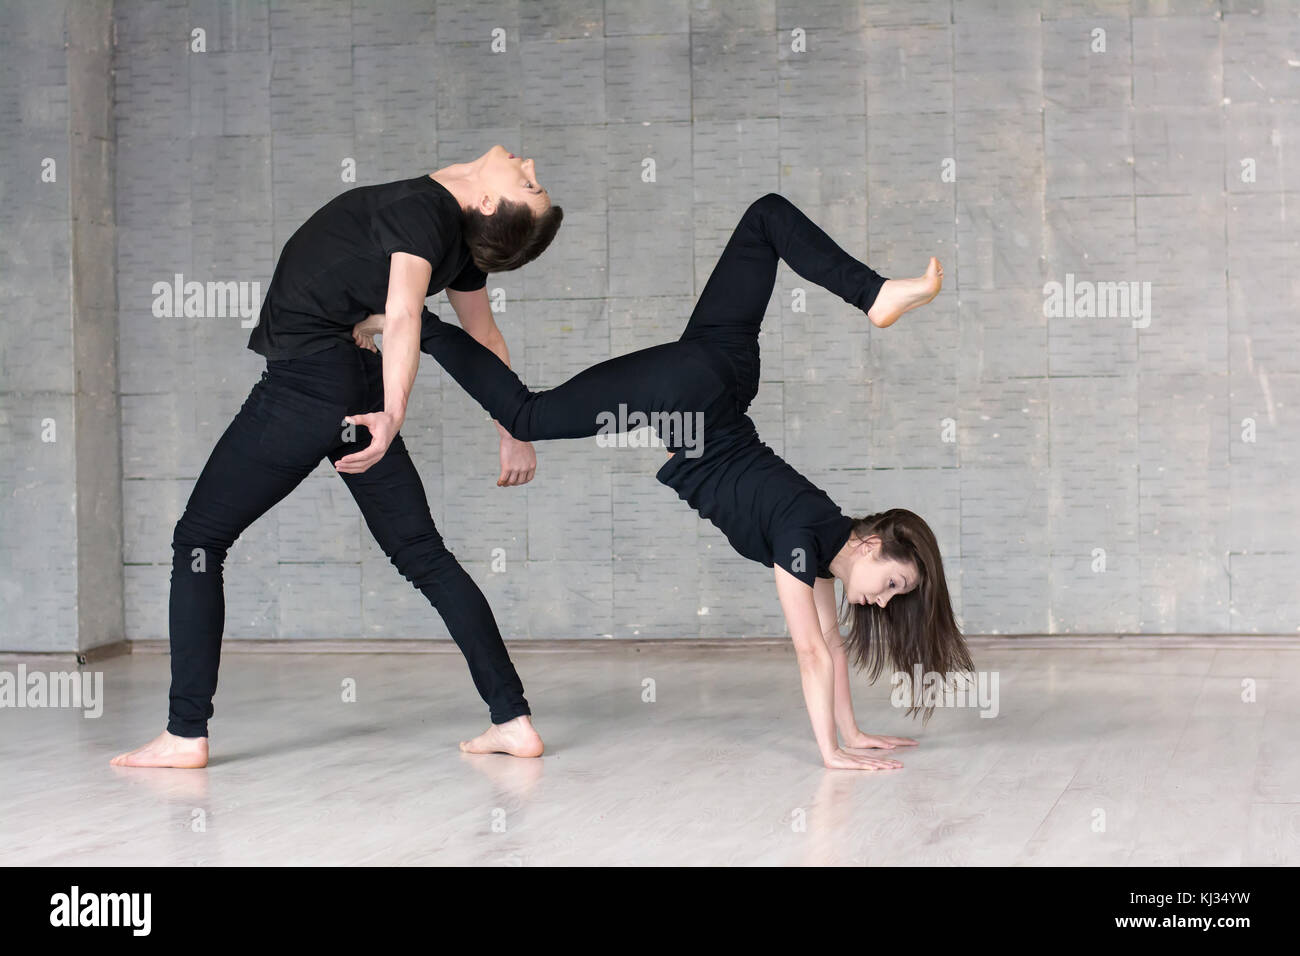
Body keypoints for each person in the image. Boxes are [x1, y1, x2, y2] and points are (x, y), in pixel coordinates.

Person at [356, 193, 972, 772]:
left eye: (894, 598)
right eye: (892, 583)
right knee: (525, 415)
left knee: (764, 217)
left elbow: (832, 647)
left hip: (723, 374)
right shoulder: (800, 539)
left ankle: (877, 294)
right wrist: (831, 755)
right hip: (689, 401)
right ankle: (417, 325)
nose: (883, 600)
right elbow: (809, 654)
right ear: (870, 544)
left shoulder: (823, 541)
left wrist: (854, 733)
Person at [112, 146, 563, 769]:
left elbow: (406, 315)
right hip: (351, 383)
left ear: (489, 202)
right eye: (535, 179)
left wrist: (391, 416)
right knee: (423, 555)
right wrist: (513, 425)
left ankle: (185, 733)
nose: (529, 163)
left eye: (529, 182)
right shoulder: (457, 235)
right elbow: (481, 336)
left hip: (308, 388)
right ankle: (512, 720)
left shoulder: (421, 212)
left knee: (200, 538)